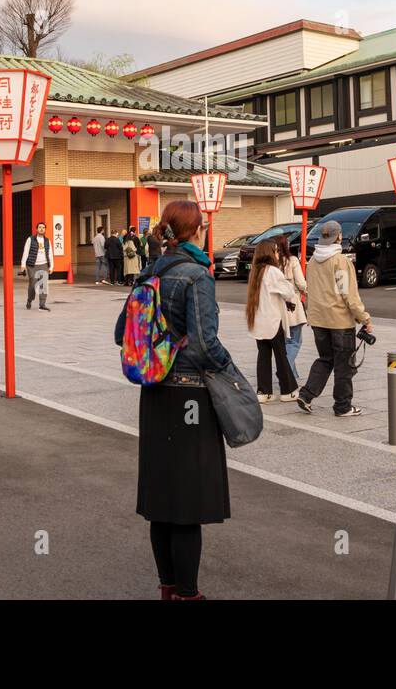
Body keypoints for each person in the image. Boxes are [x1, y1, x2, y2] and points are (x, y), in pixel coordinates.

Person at [114, 200, 234, 600]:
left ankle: (169, 588)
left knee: (162, 499)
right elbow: (204, 344)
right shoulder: (197, 274)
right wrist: (231, 370)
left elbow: (122, 333)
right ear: (196, 231)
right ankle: (189, 594)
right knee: (188, 503)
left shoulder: (151, 270)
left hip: (155, 395)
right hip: (190, 397)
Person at [297, 219, 370, 417]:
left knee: (325, 358)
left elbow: (309, 290)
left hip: (318, 320)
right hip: (339, 321)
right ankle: (343, 406)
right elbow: (348, 295)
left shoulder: (312, 261)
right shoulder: (341, 261)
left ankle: (306, 394)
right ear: (338, 237)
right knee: (344, 365)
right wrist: (364, 319)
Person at [246, 244, 300, 403]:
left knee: (263, 355)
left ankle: (264, 391)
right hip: (273, 320)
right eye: (276, 250)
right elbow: (289, 292)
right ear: (270, 253)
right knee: (281, 355)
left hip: (258, 321)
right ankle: (287, 391)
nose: (278, 253)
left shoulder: (255, 272)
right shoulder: (273, 272)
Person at [275, 234, 307, 382]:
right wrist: (305, 291)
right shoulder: (292, 260)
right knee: (295, 341)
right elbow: (301, 283)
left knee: (286, 342)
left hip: (277, 305)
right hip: (292, 304)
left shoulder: (272, 263)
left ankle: (292, 377)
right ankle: (285, 370)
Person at [20, 221, 54, 311]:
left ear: (45, 229)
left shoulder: (47, 241)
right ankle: (29, 299)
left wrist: (51, 266)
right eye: (40, 227)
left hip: (44, 264)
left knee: (43, 285)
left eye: (43, 227)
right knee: (33, 283)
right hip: (32, 265)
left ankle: (42, 305)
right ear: (36, 229)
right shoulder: (30, 239)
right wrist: (23, 264)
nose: (41, 229)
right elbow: (26, 252)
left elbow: (50, 253)